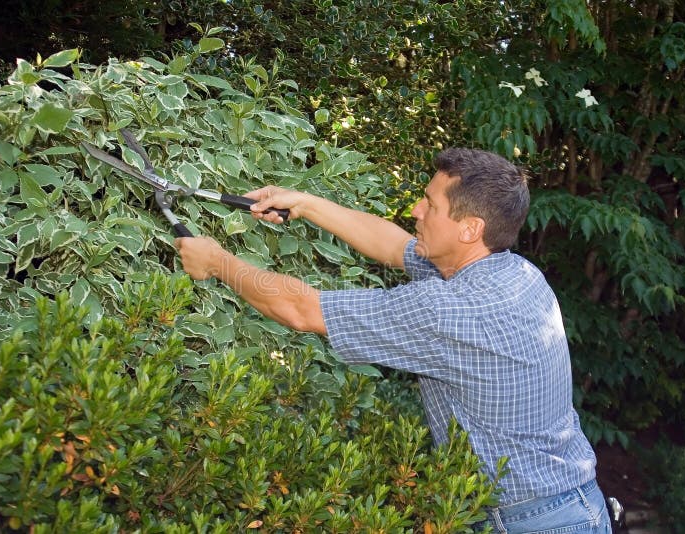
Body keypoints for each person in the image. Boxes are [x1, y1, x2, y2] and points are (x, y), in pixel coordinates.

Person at [174, 148, 612, 533]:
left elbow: (302, 310)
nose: (416, 212)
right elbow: (393, 245)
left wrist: (218, 263)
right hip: (564, 504)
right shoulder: (512, 272)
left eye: (430, 204)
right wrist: (304, 204)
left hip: (528, 521)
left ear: (468, 228)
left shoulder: (450, 311)